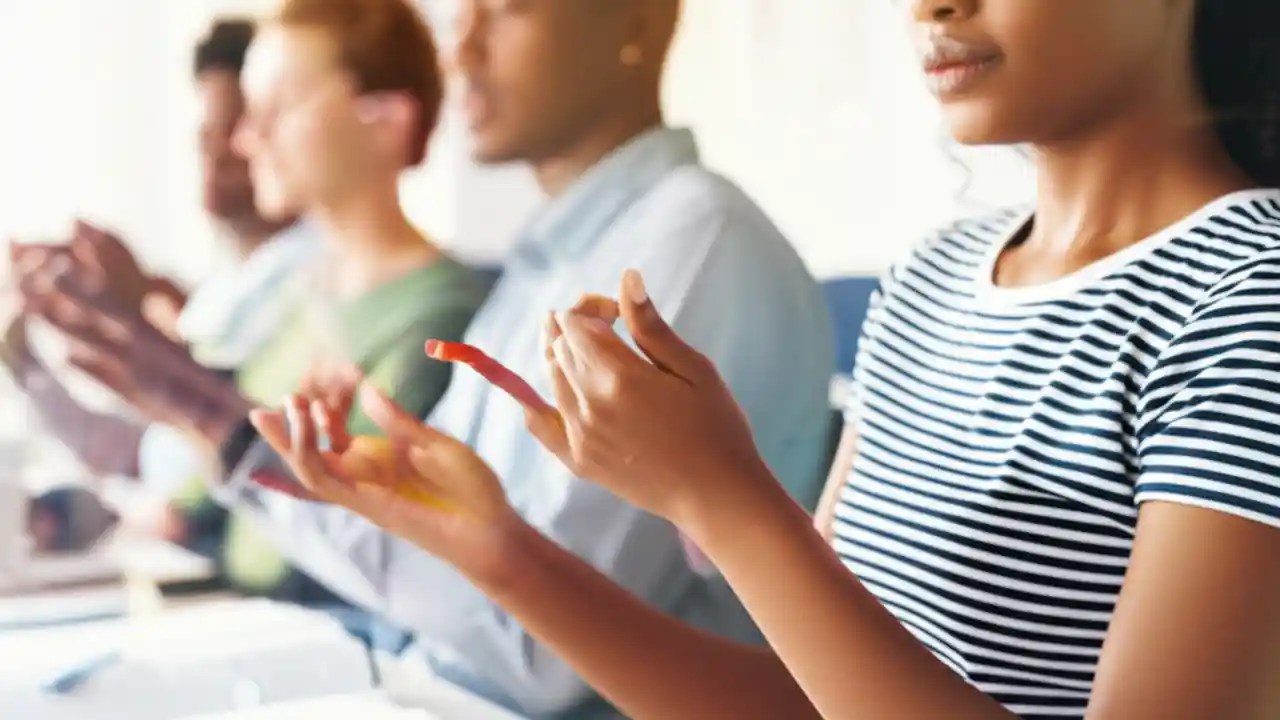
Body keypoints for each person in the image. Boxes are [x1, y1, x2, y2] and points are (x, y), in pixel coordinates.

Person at [257, 0, 1280, 718]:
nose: (931, 7)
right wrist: (502, 556)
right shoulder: (932, 276)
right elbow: (807, 697)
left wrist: (721, 496)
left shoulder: (1245, 298)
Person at [24, 0, 834, 714]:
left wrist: (214, 418)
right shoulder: (545, 265)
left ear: (635, 20)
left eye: (507, 7)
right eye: (461, 14)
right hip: (425, 678)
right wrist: (247, 437)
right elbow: (440, 541)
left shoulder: (689, 245)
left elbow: (539, 655)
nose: (461, 47)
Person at [17, 0, 487, 603]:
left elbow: (347, 536)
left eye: (277, 108)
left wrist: (158, 366)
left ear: (387, 120)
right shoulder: (299, 292)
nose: (246, 138)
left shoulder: (438, 316)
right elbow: (194, 495)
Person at [1, 19, 311, 549]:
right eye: (204, 135)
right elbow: (134, 453)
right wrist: (27, 356)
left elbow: (241, 445)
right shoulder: (219, 291)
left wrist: (131, 314)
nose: (215, 152)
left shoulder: (309, 282)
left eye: (234, 129)